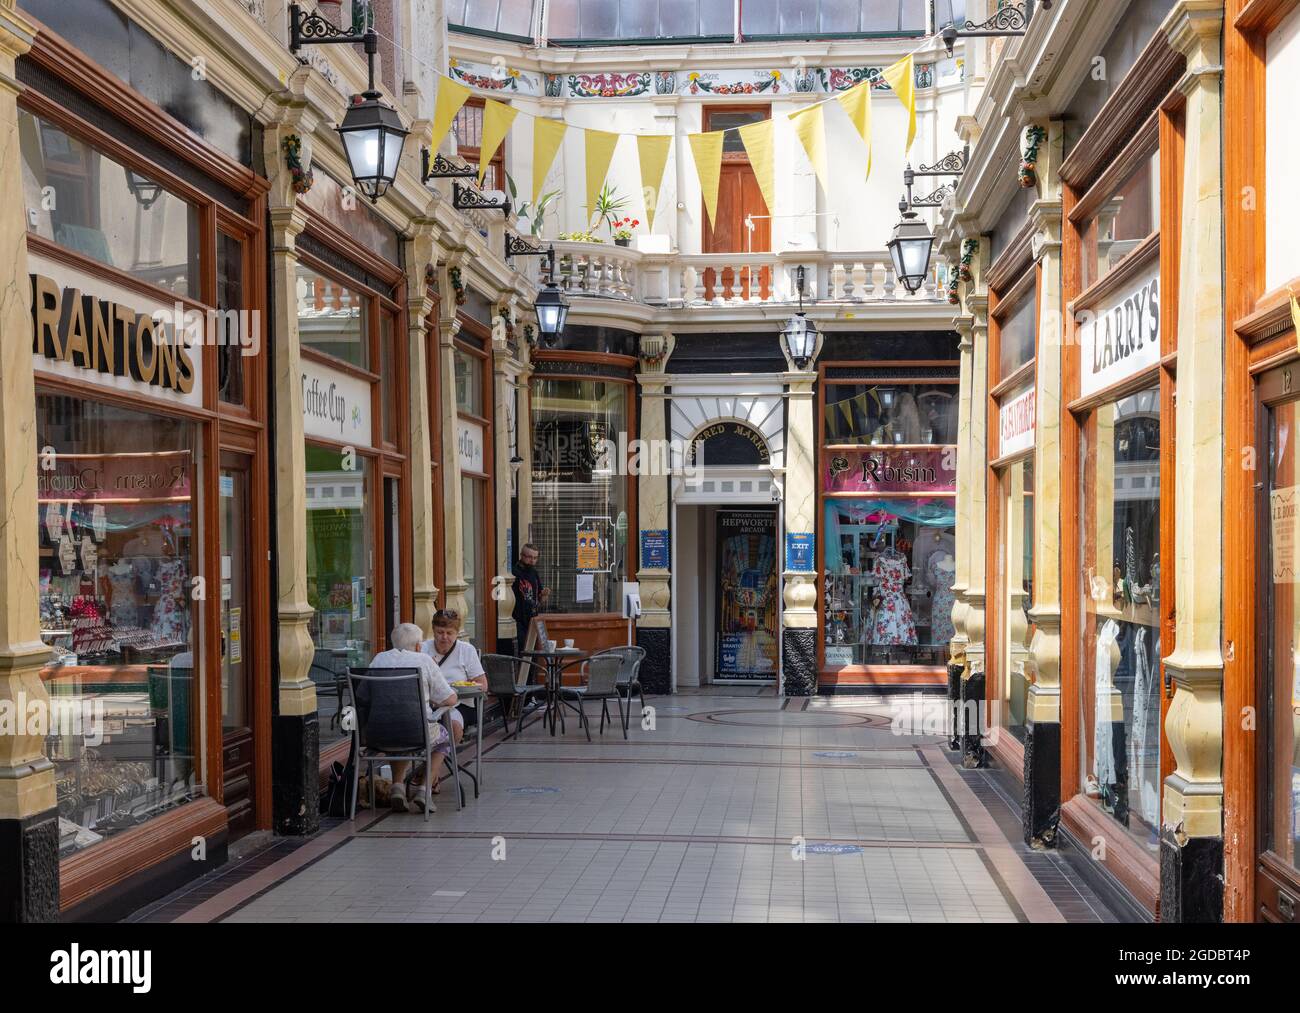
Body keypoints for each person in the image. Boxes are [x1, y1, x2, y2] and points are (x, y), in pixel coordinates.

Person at [368, 623, 457, 813]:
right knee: (443, 738)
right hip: (416, 732)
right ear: (418, 646)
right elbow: (450, 698)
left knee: (396, 728)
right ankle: (424, 791)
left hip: (378, 734)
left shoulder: (378, 659)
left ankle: (398, 787)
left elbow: (364, 695)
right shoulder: (424, 660)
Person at [420, 608, 484, 745]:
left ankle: (444, 758)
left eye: (449, 633)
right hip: (427, 704)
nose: (444, 637)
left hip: (459, 704)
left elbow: (483, 685)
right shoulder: (422, 649)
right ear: (433, 630)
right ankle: (434, 759)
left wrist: (456, 690)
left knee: (453, 726)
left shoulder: (466, 650)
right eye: (440, 632)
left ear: (457, 633)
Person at [511, 542, 549, 657]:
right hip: (518, 619)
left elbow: (540, 599)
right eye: (529, 557)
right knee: (523, 652)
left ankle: (532, 675)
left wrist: (544, 595)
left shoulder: (534, 573)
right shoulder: (514, 573)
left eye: (535, 558)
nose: (532, 561)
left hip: (533, 619)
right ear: (522, 555)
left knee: (536, 654)